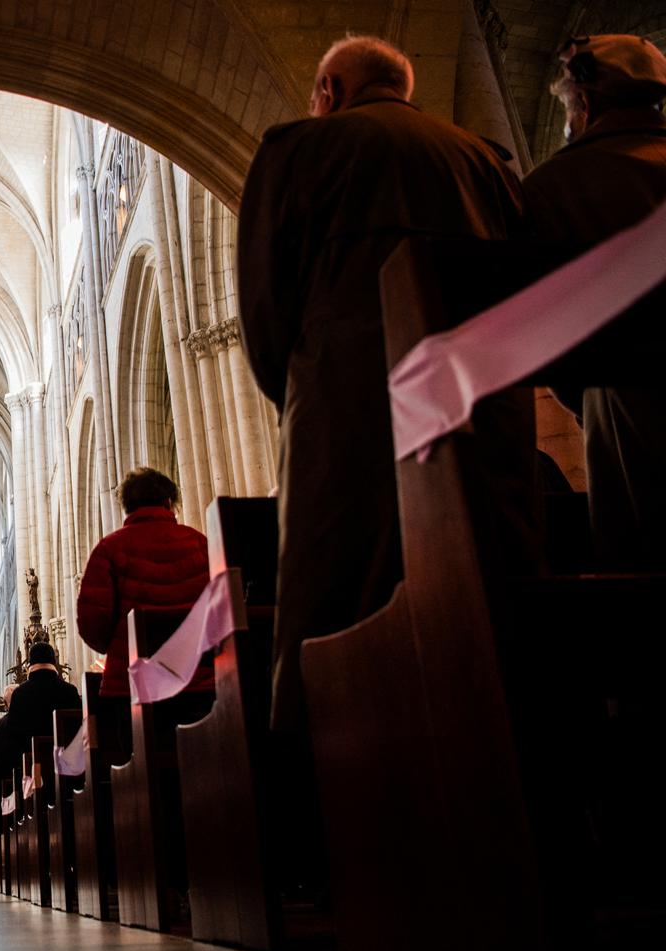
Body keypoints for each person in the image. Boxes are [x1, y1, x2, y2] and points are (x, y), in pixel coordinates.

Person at [236, 36, 525, 730]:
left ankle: (327, 801)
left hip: (348, 409)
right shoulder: (486, 161)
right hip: (484, 414)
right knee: (492, 600)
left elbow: (264, 311)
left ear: (329, 92)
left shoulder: (300, 149)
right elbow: (524, 286)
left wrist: (305, 389)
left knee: (337, 602)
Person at [524, 34, 666, 574]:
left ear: (585, 102)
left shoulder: (555, 185)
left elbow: (544, 327)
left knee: (643, 564)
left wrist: (588, 399)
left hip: (626, 410)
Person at [76, 466, 210, 743]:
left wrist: (119, 645)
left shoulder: (109, 549)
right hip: (199, 685)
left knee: (136, 757)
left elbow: (91, 622)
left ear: (126, 507)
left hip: (132, 690)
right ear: (169, 502)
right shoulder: (199, 543)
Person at [0, 643, 81, 801]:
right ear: (54, 662)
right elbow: (79, 733)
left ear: (29, 664)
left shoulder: (20, 695)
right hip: (70, 775)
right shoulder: (70, 691)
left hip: (34, 778)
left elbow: (11, 740)